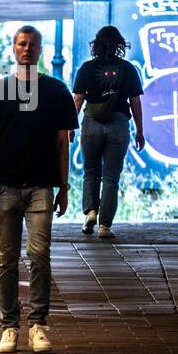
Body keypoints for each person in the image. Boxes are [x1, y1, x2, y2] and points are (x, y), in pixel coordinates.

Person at [0, 25, 77, 354]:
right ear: (14, 49)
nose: (27, 49)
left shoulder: (57, 91)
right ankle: (9, 327)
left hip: (41, 186)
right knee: (6, 259)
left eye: (33, 44)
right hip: (5, 187)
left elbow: (62, 143)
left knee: (39, 255)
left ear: (40, 50)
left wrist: (64, 186)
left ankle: (38, 326)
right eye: (22, 44)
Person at [72, 25, 145, 238]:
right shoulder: (128, 69)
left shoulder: (86, 68)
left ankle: (91, 213)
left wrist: (70, 125)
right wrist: (140, 131)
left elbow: (78, 98)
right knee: (111, 177)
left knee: (90, 172)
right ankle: (105, 226)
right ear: (120, 45)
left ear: (96, 45)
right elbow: (135, 101)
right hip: (119, 124)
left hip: (91, 124)